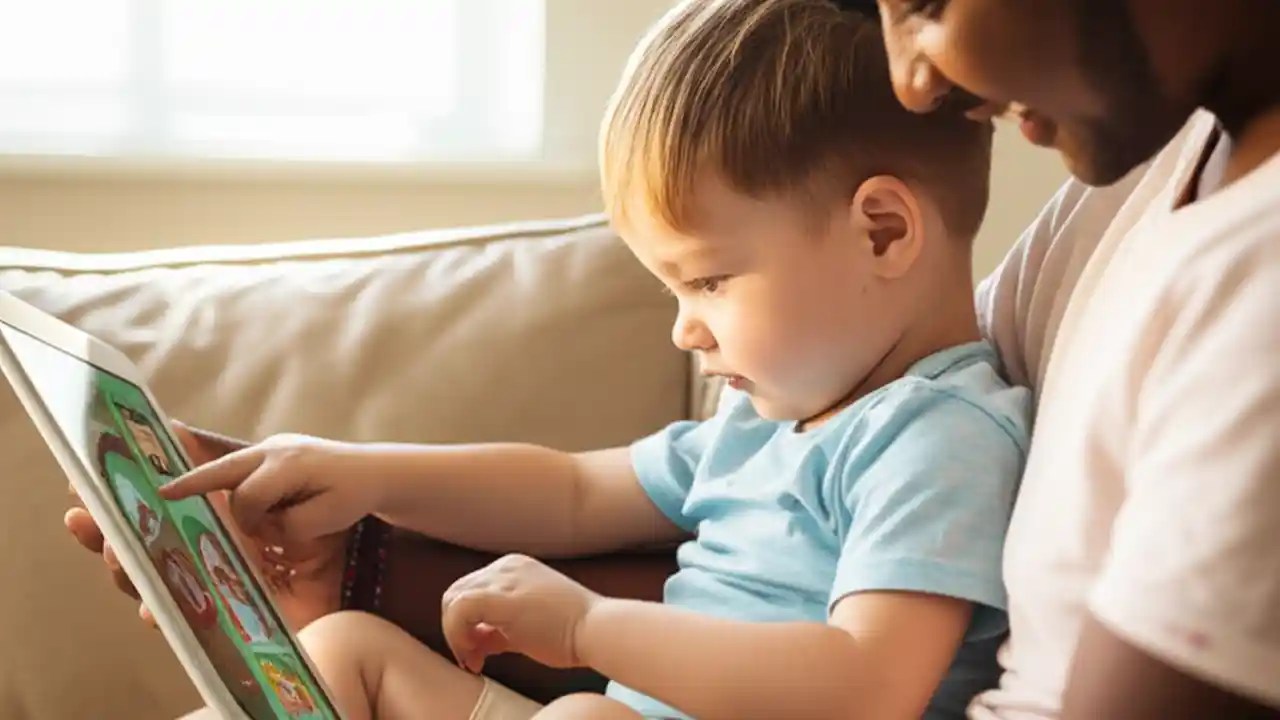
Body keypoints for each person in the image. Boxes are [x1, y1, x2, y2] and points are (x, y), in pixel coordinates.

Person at [154, 1, 1031, 718]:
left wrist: (588, 628)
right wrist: (369, 475)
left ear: (882, 232)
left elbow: (866, 688)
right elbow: (571, 491)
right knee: (346, 653)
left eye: (710, 281)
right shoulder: (766, 420)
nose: (686, 330)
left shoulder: (936, 438)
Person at [857, 0, 1280, 716]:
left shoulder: (1261, 276)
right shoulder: (1164, 154)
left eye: (926, 5)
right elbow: (882, 410)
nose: (913, 84)